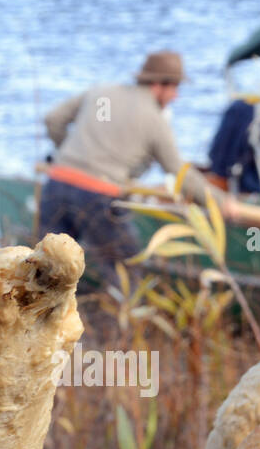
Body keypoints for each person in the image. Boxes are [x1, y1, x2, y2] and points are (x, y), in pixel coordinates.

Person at [39, 50, 234, 287]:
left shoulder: (101, 92)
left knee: (47, 270)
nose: (176, 97)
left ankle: (35, 319)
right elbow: (180, 174)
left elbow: (53, 120)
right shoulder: (155, 121)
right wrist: (221, 203)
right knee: (126, 271)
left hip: (57, 183)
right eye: (175, 88)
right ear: (159, 85)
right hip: (98, 197)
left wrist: (68, 153)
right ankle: (119, 321)